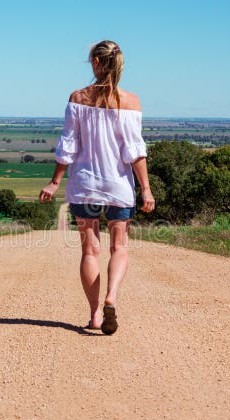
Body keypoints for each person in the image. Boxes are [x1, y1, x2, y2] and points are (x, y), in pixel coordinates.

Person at [39, 40, 155, 335]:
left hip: (84, 185)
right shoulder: (131, 102)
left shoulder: (78, 98)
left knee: (90, 251)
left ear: (95, 63)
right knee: (120, 247)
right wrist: (146, 189)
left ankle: (94, 316)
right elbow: (135, 152)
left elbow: (68, 146)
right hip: (119, 188)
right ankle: (111, 298)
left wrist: (54, 182)